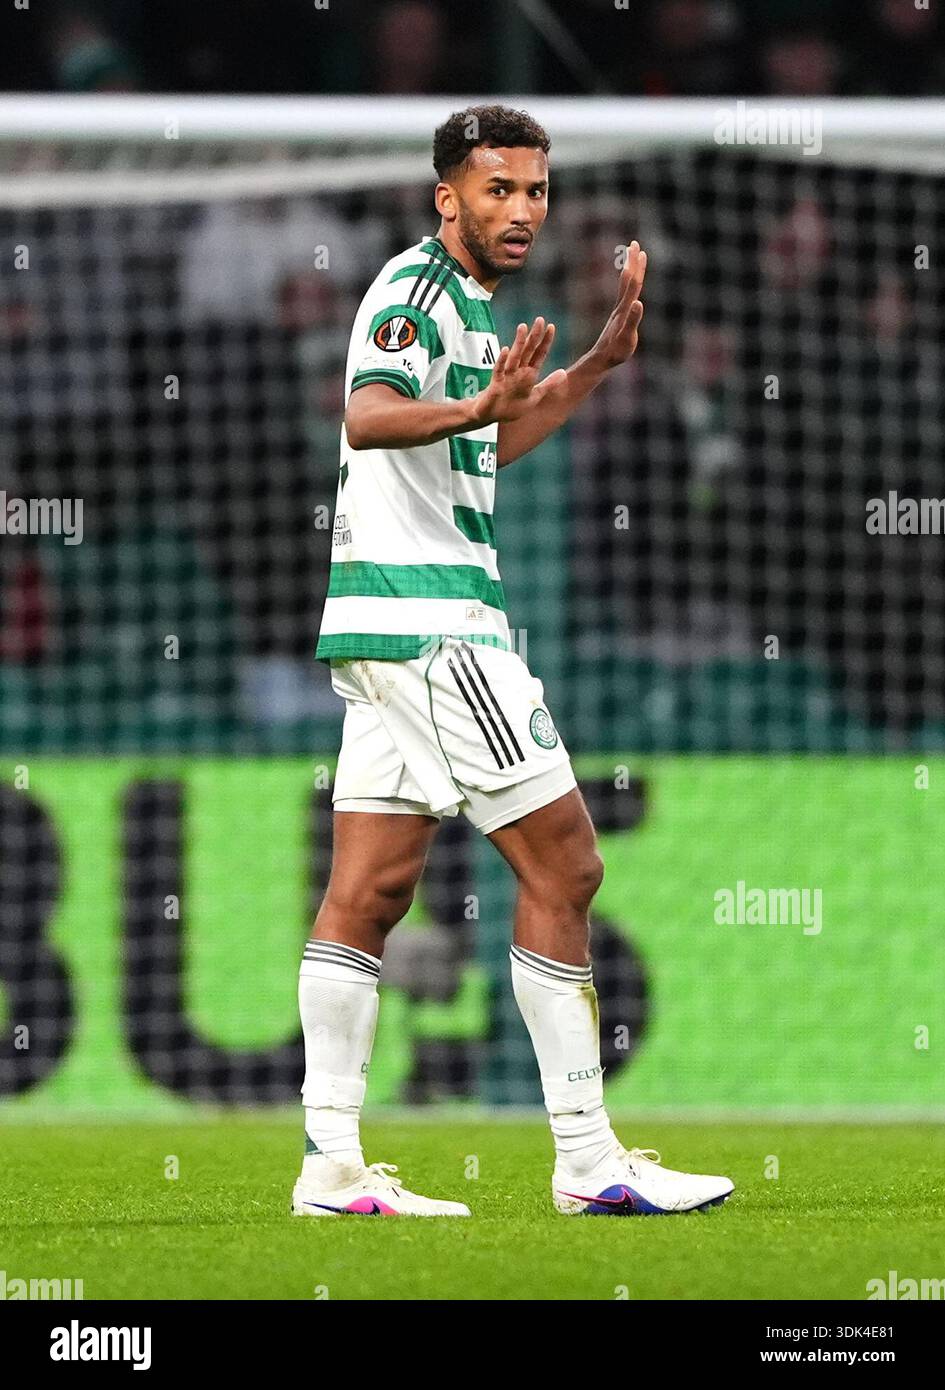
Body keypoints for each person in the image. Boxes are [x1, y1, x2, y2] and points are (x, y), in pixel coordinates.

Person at [295, 104, 734, 1217]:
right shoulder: (412, 291)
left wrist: (590, 365)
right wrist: (473, 402)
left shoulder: (480, 313)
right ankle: (590, 1162)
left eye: (536, 190)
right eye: (499, 190)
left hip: (389, 628)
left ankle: (331, 1168)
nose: (523, 209)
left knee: (369, 890)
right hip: (435, 623)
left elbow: (490, 438)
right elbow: (369, 418)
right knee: (569, 867)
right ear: (450, 197)